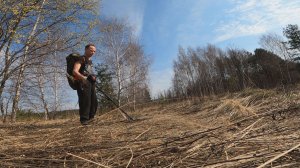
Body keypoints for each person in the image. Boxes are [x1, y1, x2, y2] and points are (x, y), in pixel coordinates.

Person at [73, 44, 98, 125]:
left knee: (94, 101)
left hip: (91, 84)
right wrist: (84, 78)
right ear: (86, 49)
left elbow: (88, 72)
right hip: (82, 83)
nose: (93, 52)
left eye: (94, 51)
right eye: (91, 50)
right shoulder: (81, 59)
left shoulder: (90, 61)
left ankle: (91, 119)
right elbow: (75, 71)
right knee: (85, 101)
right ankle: (84, 121)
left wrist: (92, 77)